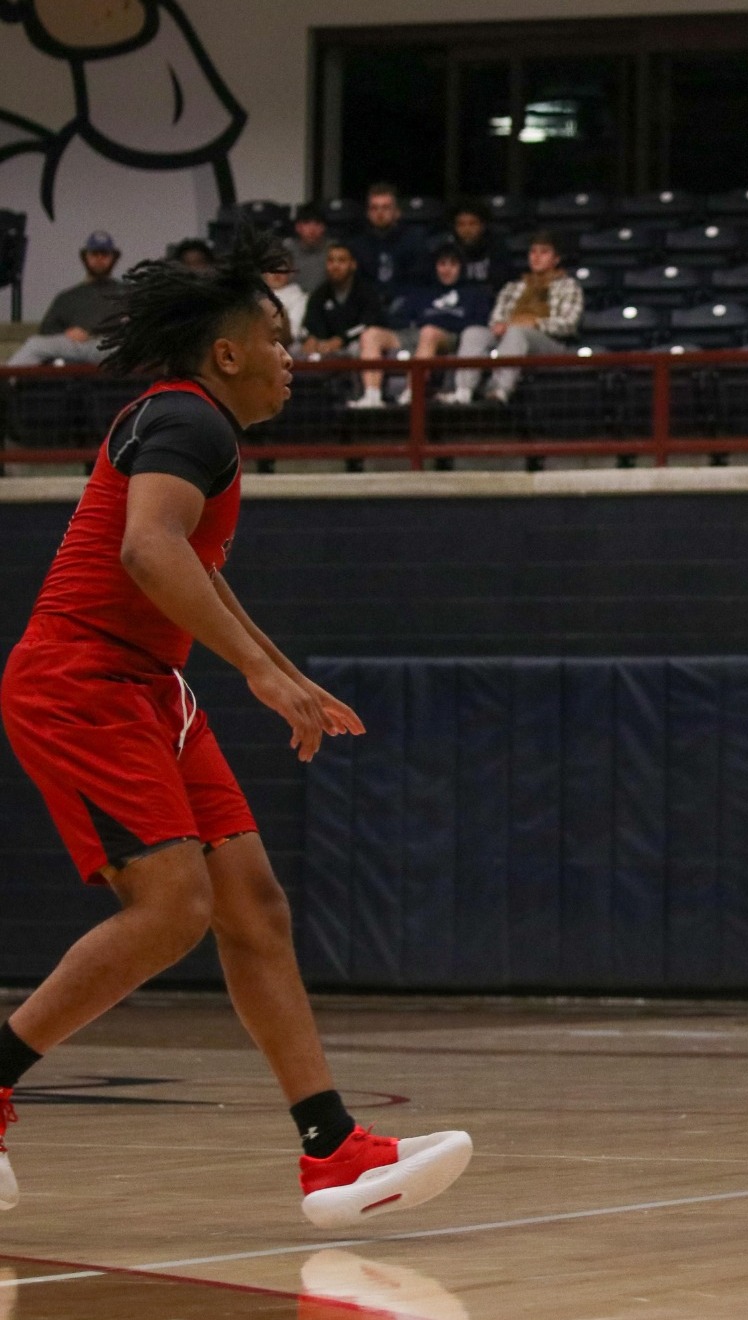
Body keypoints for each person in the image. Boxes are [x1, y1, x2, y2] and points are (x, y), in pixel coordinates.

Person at [0, 229, 473, 1227]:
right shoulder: (187, 417)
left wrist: (284, 671)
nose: (292, 358)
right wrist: (259, 673)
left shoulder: (191, 424)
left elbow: (193, 572)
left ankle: (333, 1150)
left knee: (252, 906)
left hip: (149, 687)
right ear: (227, 353)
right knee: (172, 907)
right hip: (81, 680)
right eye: (277, 339)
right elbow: (147, 551)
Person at [446, 232, 582, 406]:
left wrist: (535, 323)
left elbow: (569, 325)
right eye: (533, 252)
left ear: (556, 259)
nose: (537, 257)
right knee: (473, 332)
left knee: (517, 332)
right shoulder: (513, 287)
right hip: (509, 336)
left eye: (544, 252)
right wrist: (500, 326)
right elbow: (496, 319)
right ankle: (463, 391)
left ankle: (499, 391)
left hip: (549, 342)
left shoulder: (568, 286)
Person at [354, 243, 494, 409]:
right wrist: (416, 323)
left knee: (429, 332)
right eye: (442, 264)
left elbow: (478, 322)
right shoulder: (422, 291)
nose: (447, 269)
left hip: (450, 336)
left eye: (452, 264)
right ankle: (372, 396)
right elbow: (398, 318)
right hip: (416, 333)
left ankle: (412, 393)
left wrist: (438, 323)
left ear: (461, 267)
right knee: (371, 334)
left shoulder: (474, 293)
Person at [7, 231, 122, 367]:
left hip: (112, 346)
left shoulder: (127, 292)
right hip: (76, 346)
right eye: (94, 254)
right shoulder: (68, 296)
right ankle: (6, 383)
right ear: (85, 256)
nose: (99, 259)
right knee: (35, 343)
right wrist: (67, 333)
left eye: (104, 254)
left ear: (113, 257)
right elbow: (46, 329)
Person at [298, 241, 390, 362]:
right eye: (331, 261)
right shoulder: (320, 293)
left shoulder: (366, 292)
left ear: (353, 264)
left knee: (357, 348)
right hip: (324, 346)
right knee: (297, 350)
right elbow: (306, 325)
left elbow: (367, 324)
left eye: (341, 261)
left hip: (354, 343)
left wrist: (342, 339)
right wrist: (310, 338)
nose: (335, 266)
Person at [348, 183, 431, 292]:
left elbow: (419, 281)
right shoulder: (357, 245)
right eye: (374, 208)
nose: (380, 213)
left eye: (385, 208)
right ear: (368, 214)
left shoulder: (414, 241)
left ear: (397, 212)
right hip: (369, 304)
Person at [286, 204, 331, 294]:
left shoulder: (333, 250)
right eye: (306, 223)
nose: (312, 229)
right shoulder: (286, 249)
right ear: (298, 227)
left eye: (317, 224)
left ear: (324, 227)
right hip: (291, 301)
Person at [450, 201, 498, 286]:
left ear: (482, 226)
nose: (467, 230)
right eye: (461, 224)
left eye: (472, 224)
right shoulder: (448, 251)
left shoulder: (497, 248)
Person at [264, 265, 309, 347]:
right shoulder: (253, 296)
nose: (276, 274)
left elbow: (293, 332)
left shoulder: (299, 297)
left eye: (281, 269)